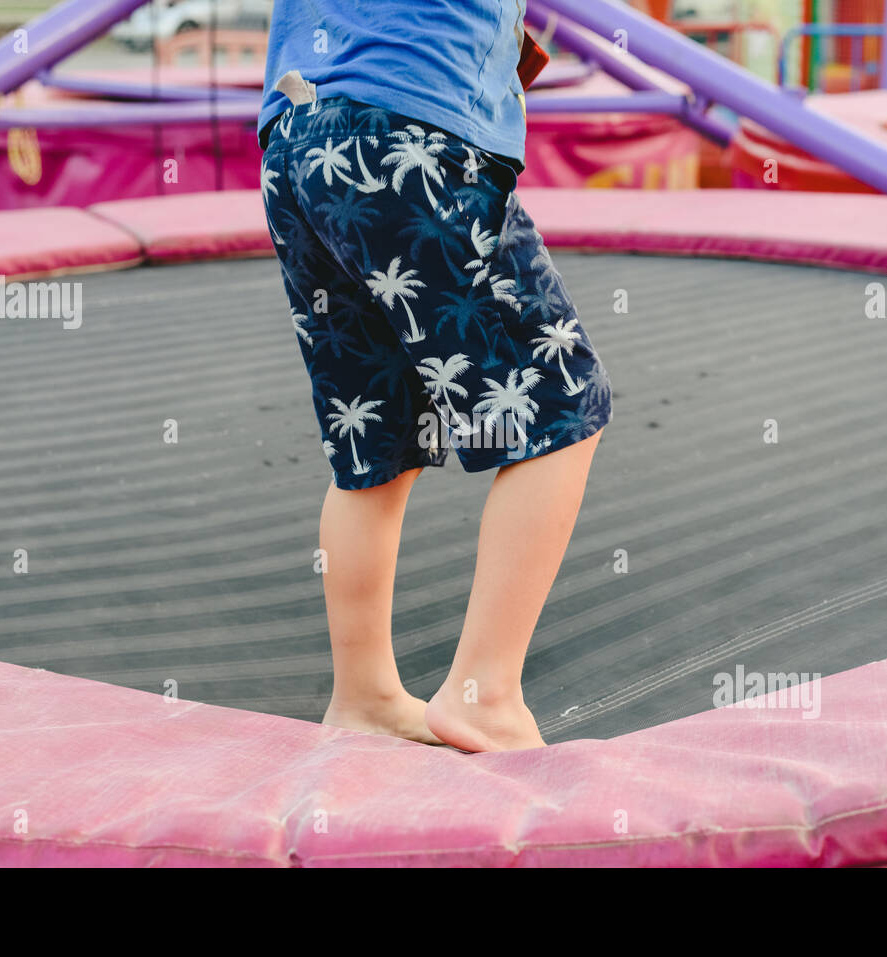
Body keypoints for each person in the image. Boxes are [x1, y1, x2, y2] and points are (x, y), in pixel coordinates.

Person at [258, 1, 612, 752]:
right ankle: (485, 694)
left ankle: (365, 695)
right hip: (413, 137)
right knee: (559, 401)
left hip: (295, 143)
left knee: (373, 437)